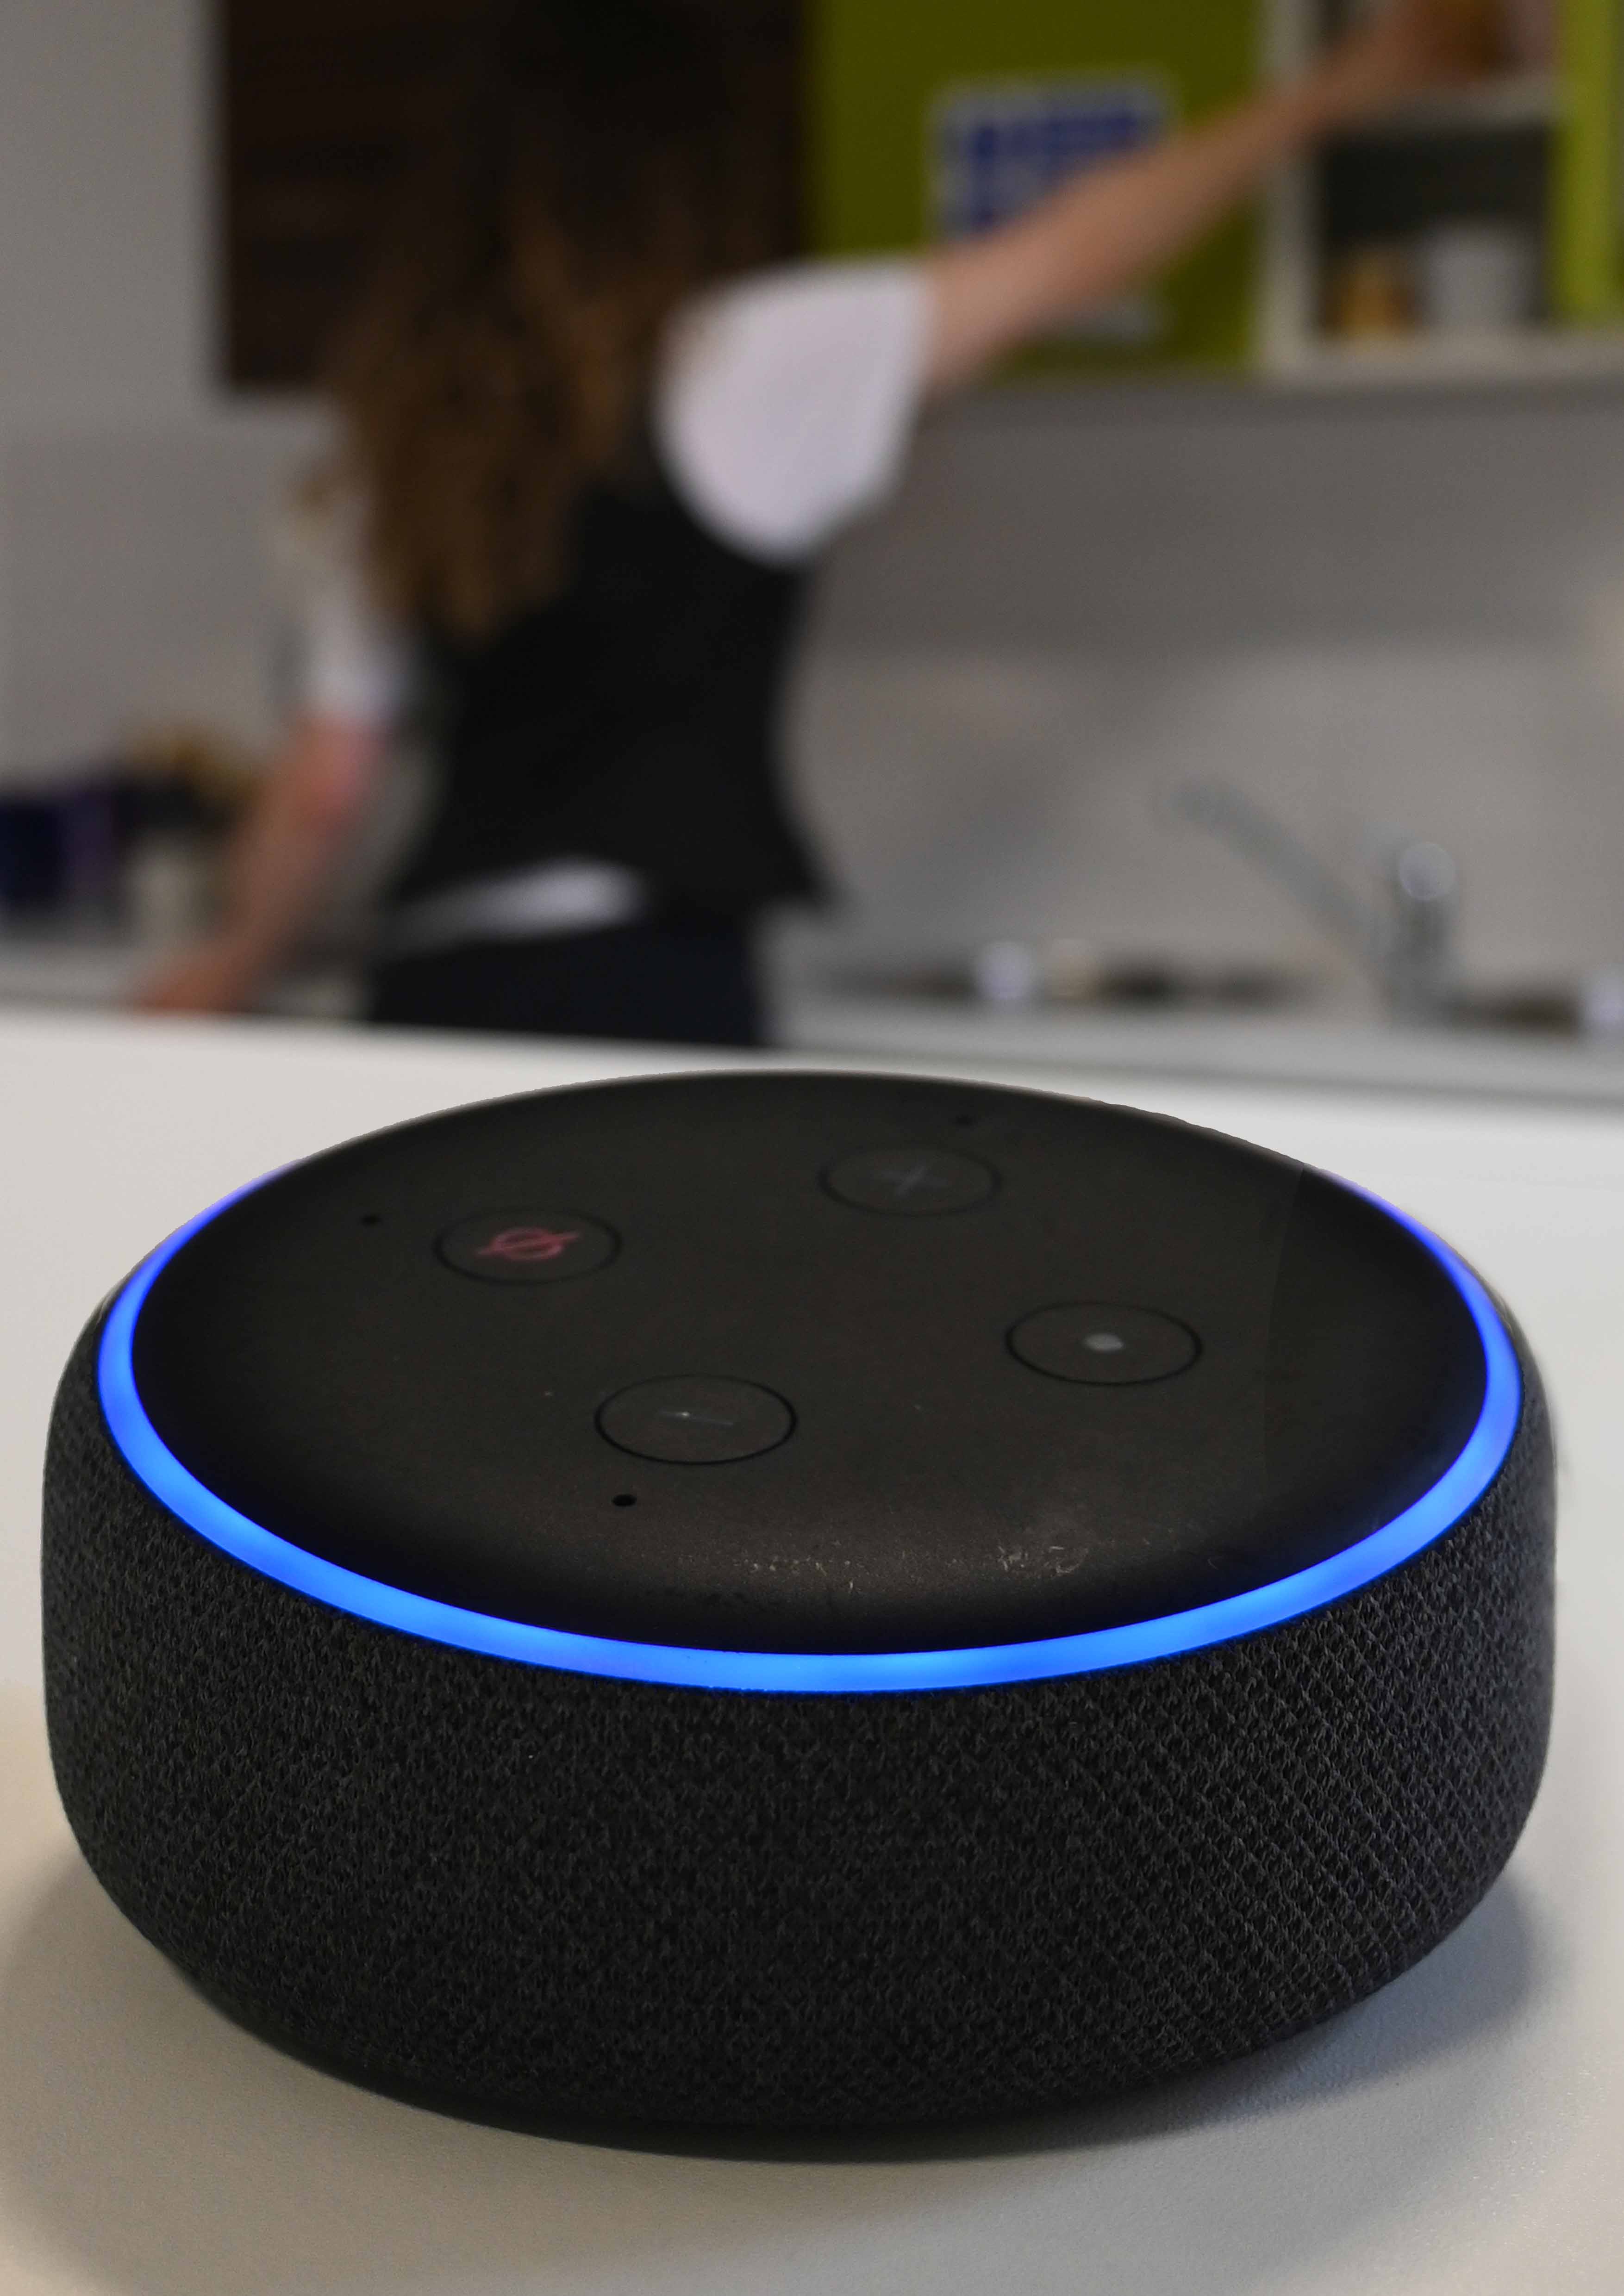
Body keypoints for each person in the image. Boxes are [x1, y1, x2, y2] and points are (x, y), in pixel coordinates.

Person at [141, 0, 1481, 1045]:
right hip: (636, 989)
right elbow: (1076, 251)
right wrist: (1345, 84)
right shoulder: (750, 363)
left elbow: (325, 779)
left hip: (430, 978)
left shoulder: (398, 426)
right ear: (695, 174)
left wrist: (228, 966)